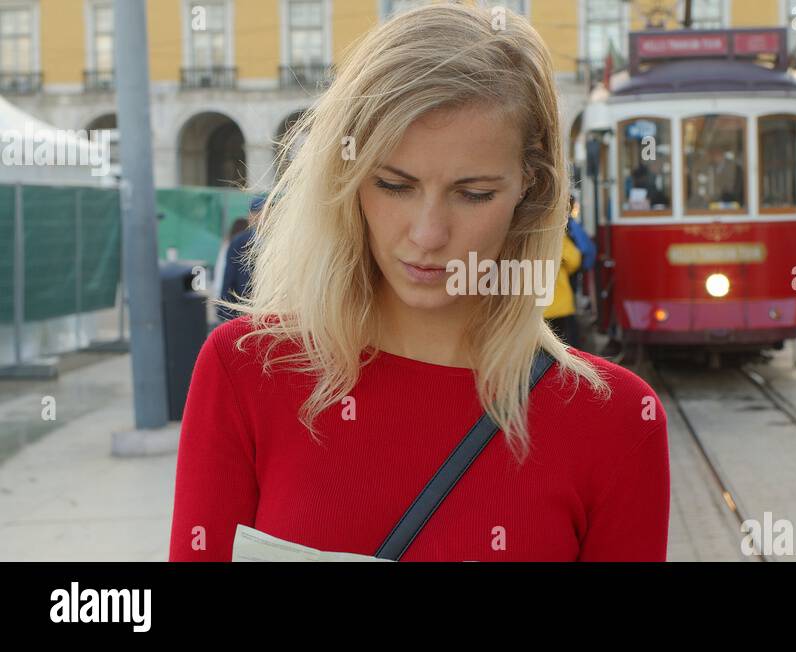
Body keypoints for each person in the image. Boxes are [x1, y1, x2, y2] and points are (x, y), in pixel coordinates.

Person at [169, 4, 669, 562]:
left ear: (532, 189)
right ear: (347, 179)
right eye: (393, 184)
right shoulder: (246, 372)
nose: (429, 235)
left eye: (474, 193)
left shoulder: (620, 421)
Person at [216, 196, 266, 322]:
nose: (261, 217)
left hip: (269, 311)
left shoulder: (278, 242)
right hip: (244, 311)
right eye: (257, 213)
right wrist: (226, 313)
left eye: (264, 213)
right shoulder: (239, 242)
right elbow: (229, 279)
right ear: (250, 216)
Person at [544, 224, 582, 349]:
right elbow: (574, 261)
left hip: (532, 309)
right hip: (559, 305)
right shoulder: (556, 235)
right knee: (566, 351)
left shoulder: (521, 235)